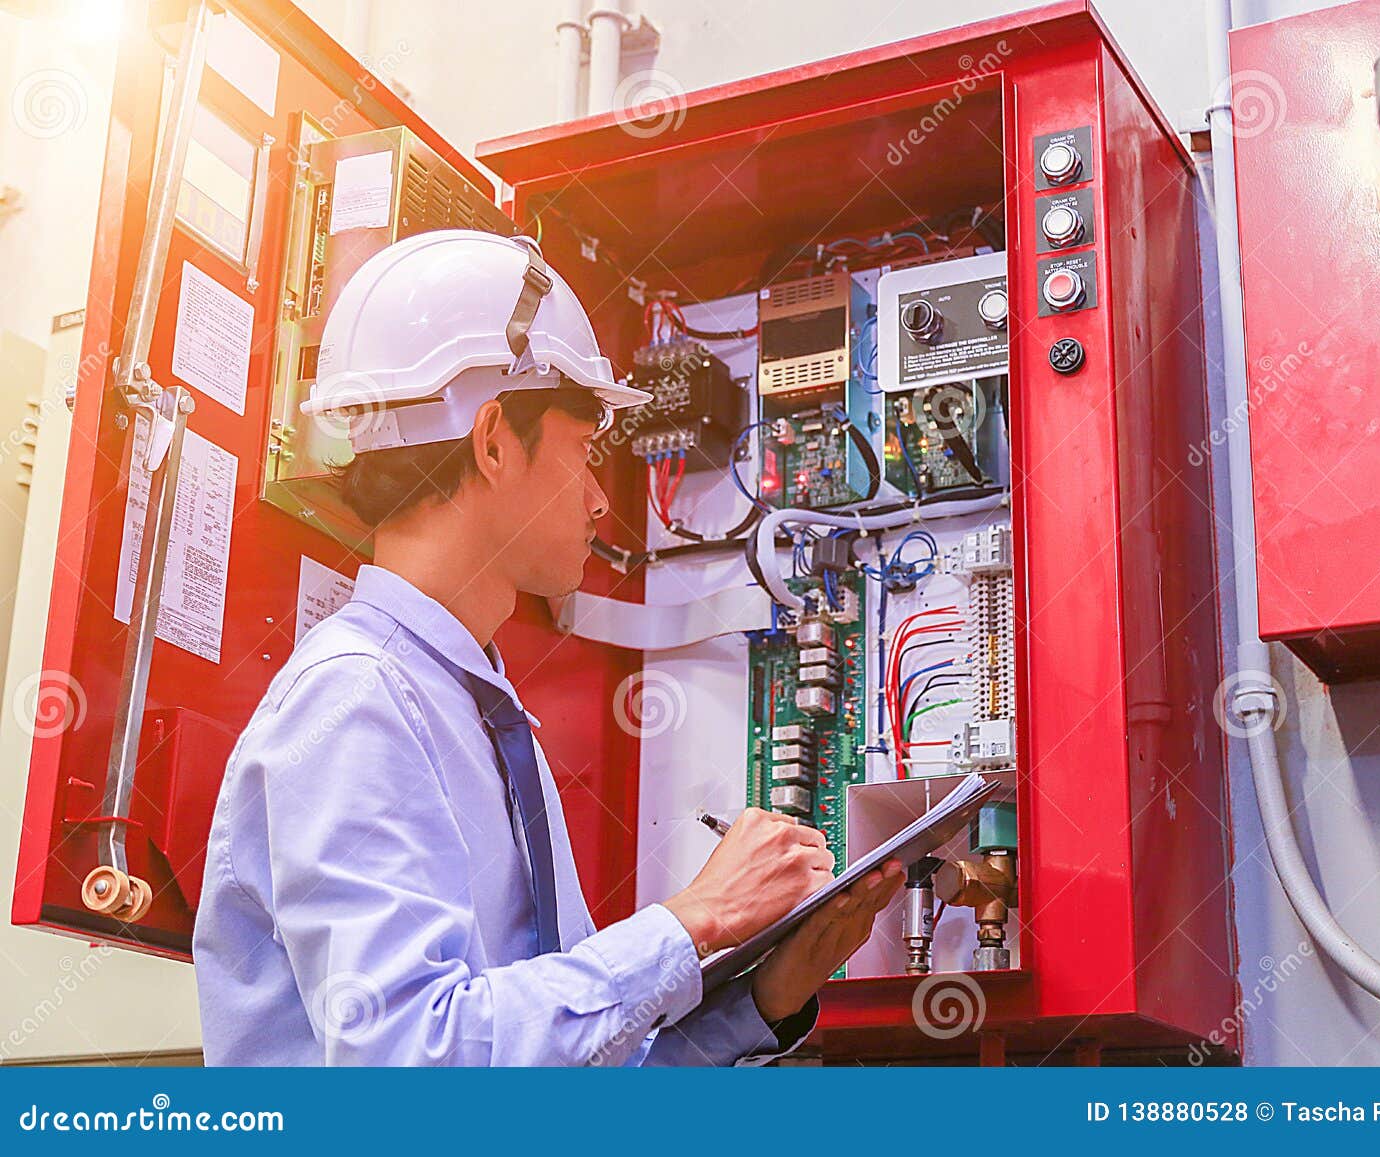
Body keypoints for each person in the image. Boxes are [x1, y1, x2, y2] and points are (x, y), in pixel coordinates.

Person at [193, 229, 903, 1065]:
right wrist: (693, 918)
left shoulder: (474, 710)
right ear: (494, 441)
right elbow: (410, 1065)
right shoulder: (356, 699)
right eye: (584, 451)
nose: (603, 498)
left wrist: (763, 997)